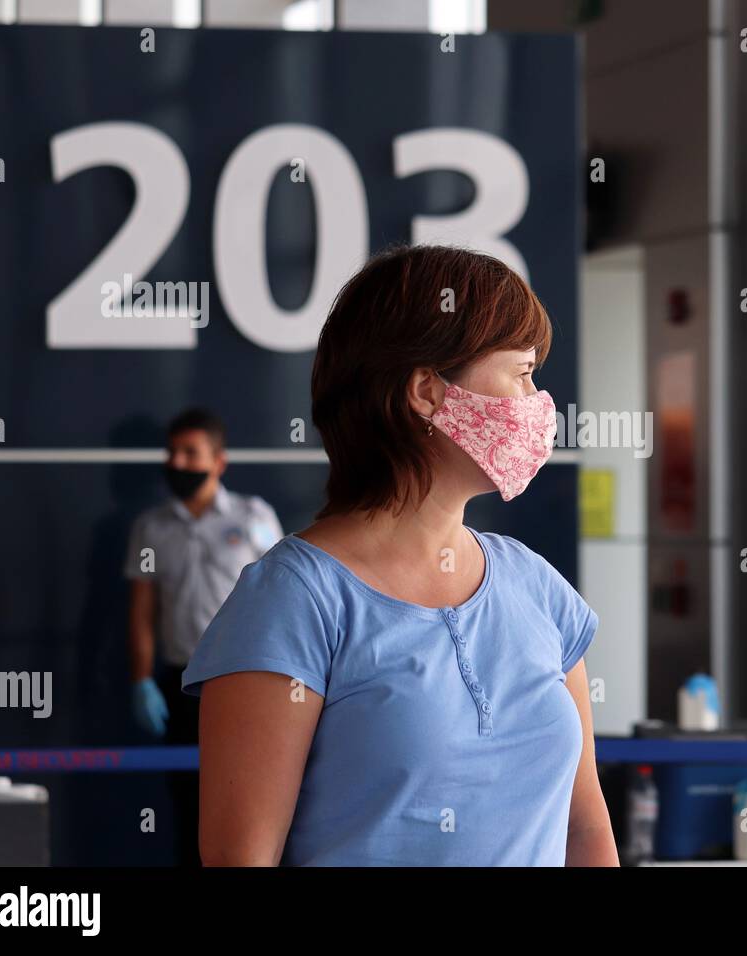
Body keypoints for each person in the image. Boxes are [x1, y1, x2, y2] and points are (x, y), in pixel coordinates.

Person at [181, 245, 618, 866]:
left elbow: (588, 833)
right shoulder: (294, 598)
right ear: (426, 391)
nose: (539, 402)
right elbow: (242, 860)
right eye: (522, 374)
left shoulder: (536, 587)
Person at [124, 408, 284, 865]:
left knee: (253, 810)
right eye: (172, 452)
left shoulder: (254, 518)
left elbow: (282, 598)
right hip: (180, 687)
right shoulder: (150, 528)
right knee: (189, 809)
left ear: (219, 462)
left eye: (191, 453)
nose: (178, 463)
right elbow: (142, 613)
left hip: (249, 684)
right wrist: (141, 681)